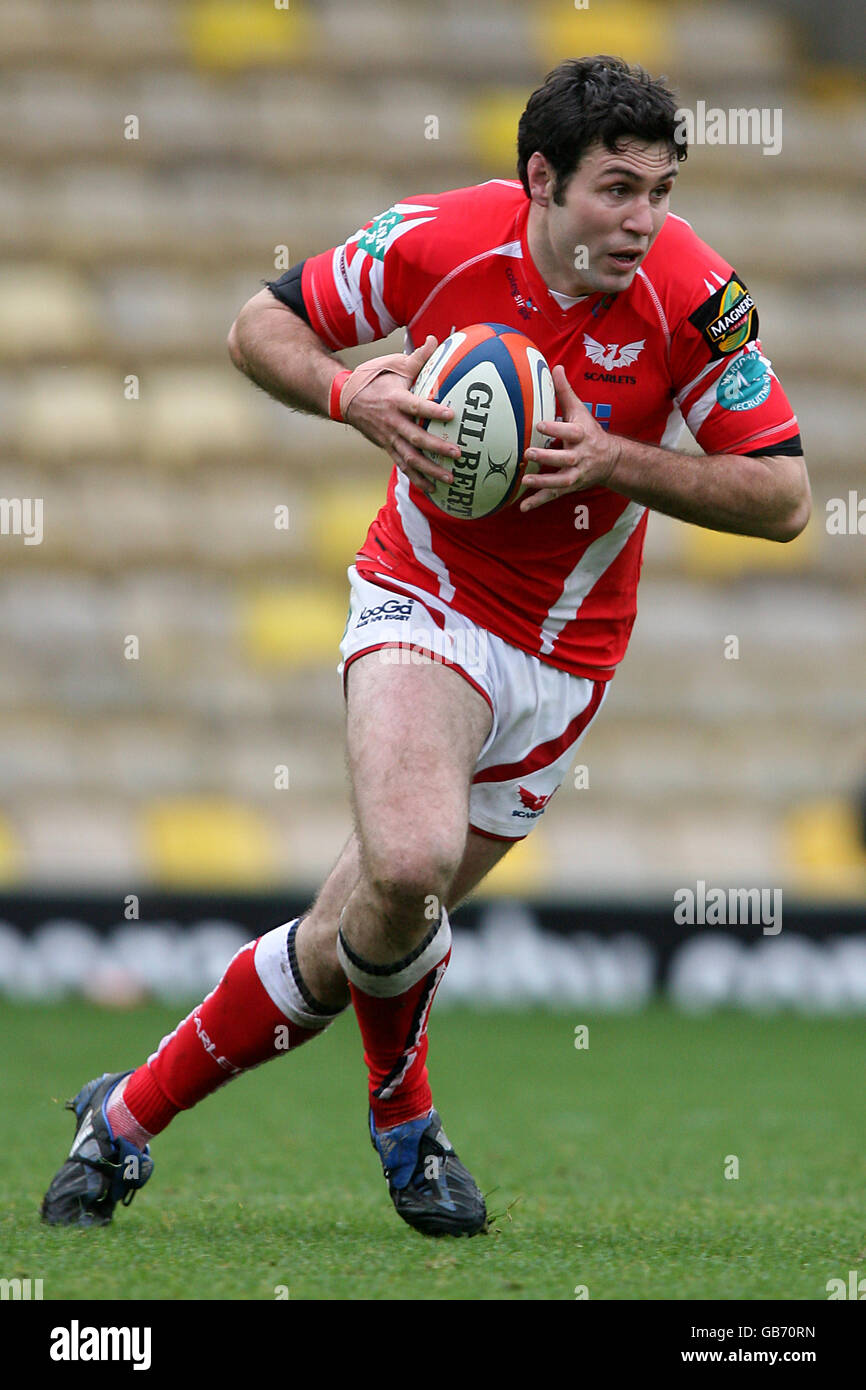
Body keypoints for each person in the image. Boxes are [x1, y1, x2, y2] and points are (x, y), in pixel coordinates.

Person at [42, 55, 810, 1238]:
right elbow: (259, 325)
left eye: (657, 190)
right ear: (540, 179)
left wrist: (617, 463)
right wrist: (351, 396)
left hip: (566, 664)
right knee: (408, 866)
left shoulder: (695, 296)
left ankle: (120, 1123)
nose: (641, 219)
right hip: (426, 597)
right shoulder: (440, 240)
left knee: (355, 937)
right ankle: (406, 1120)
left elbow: (783, 496)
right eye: (615, 189)